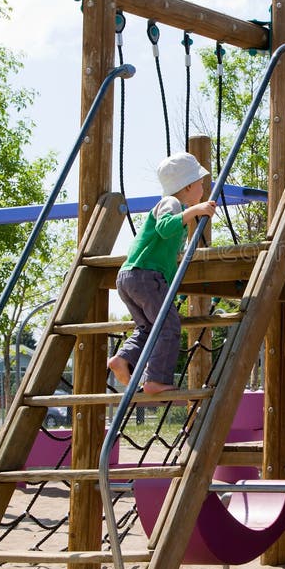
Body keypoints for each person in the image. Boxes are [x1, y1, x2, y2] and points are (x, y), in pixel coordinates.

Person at [108, 151, 217, 394]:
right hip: (146, 276)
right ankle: (156, 379)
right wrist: (195, 211)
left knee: (148, 328)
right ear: (188, 186)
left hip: (129, 277)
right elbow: (166, 228)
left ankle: (122, 359)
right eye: (200, 184)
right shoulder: (172, 203)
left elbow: (164, 242)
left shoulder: (174, 206)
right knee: (168, 326)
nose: (203, 188)